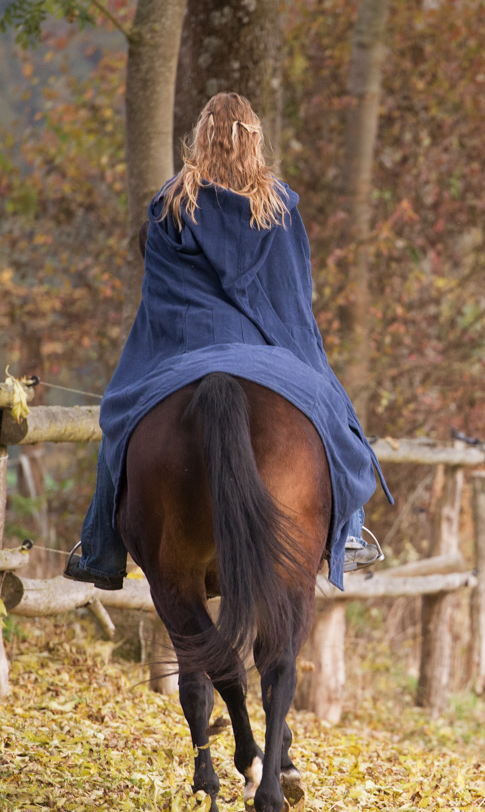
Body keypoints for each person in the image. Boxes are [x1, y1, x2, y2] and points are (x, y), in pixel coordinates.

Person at [63, 92, 388, 592]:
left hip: (185, 350)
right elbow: (292, 302)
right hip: (267, 350)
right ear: (254, 141)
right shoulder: (278, 208)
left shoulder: (171, 204)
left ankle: (103, 548)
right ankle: (347, 532)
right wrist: (306, 361)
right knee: (336, 415)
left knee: (119, 417)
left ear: (200, 136)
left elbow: (161, 304)